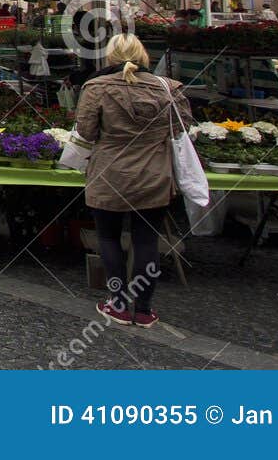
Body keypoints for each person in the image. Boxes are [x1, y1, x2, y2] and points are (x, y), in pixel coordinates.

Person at [74, 33, 191, 329]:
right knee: (146, 240)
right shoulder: (169, 88)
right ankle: (145, 309)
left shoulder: (97, 87)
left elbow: (85, 132)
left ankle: (119, 304)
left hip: (109, 173)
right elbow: (182, 128)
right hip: (153, 174)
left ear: (110, 57)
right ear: (143, 56)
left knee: (110, 238)